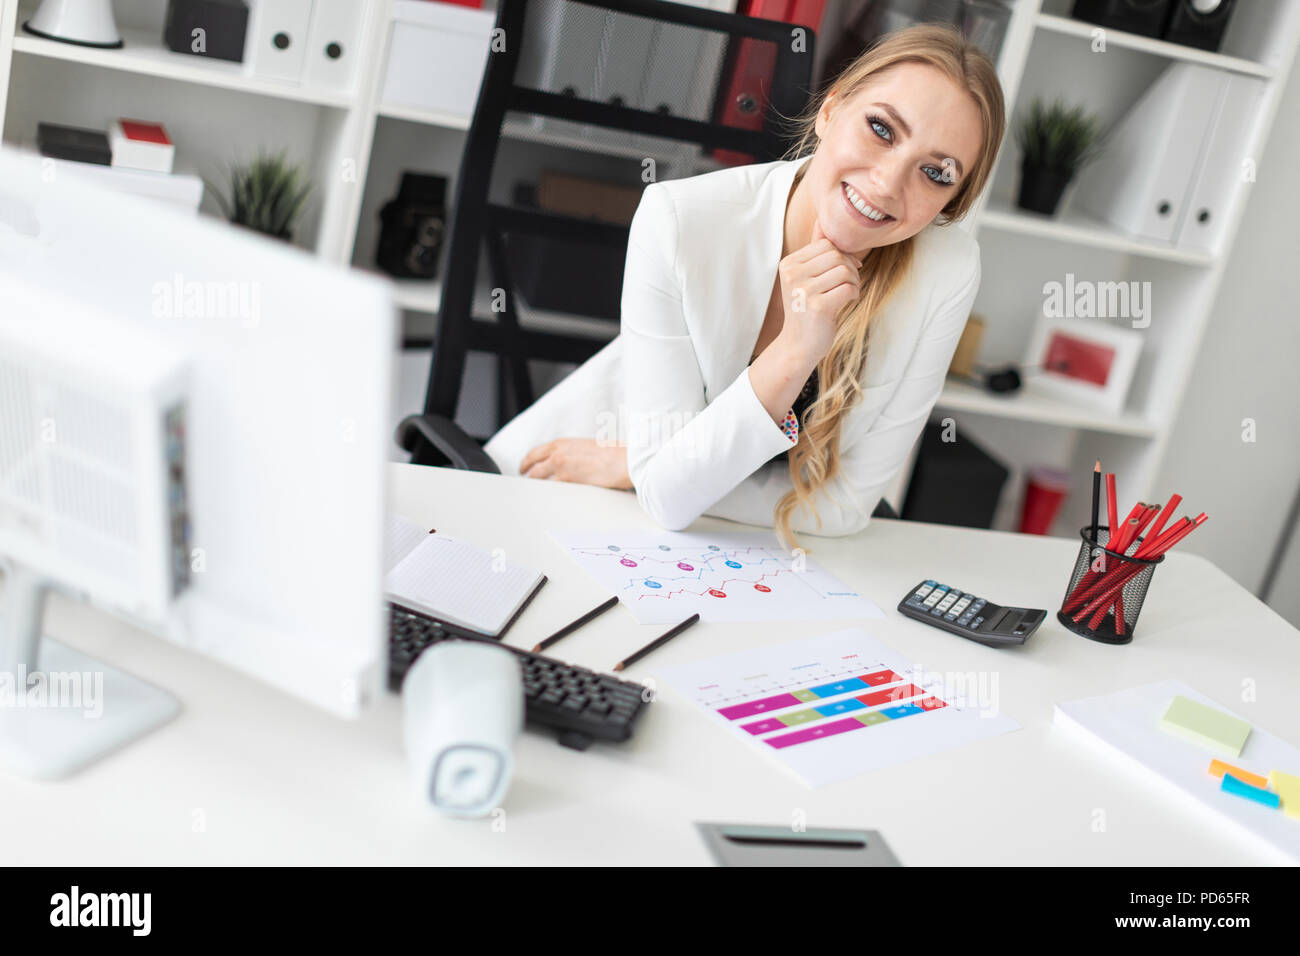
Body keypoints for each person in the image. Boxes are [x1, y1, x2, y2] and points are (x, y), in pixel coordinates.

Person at [484, 23, 1005, 546]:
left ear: (950, 204)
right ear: (830, 111)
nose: (889, 183)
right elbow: (667, 500)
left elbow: (848, 506)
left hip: (710, 533)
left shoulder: (946, 273)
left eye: (936, 173)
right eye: (881, 128)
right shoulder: (678, 221)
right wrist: (797, 348)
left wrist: (635, 469)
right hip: (554, 498)